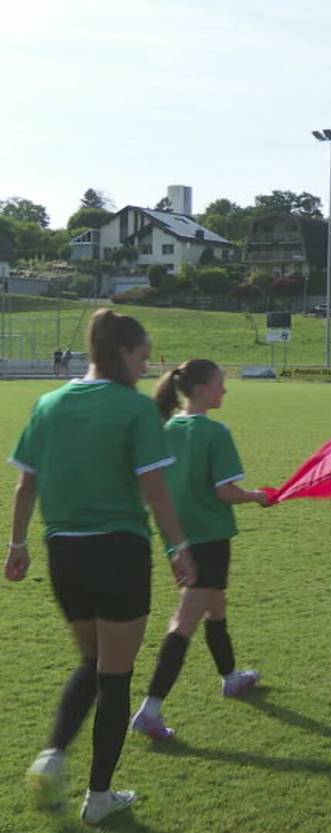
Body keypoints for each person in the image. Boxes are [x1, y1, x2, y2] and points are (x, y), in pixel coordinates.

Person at [7, 309, 197, 826]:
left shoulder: (49, 404)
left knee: (93, 663)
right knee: (115, 677)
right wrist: (179, 547)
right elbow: (156, 493)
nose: (145, 365)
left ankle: (53, 754)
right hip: (119, 551)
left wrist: (17, 543)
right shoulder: (134, 410)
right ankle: (99, 797)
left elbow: (27, 484)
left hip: (63, 553)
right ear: (121, 353)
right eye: (141, 355)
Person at [130, 359, 271, 741]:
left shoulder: (165, 428)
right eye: (220, 383)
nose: (225, 390)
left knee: (216, 606)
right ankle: (150, 710)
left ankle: (230, 678)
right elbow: (223, 491)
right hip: (207, 539)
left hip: (178, 537)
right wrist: (257, 496)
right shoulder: (214, 432)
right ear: (203, 389)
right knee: (184, 623)